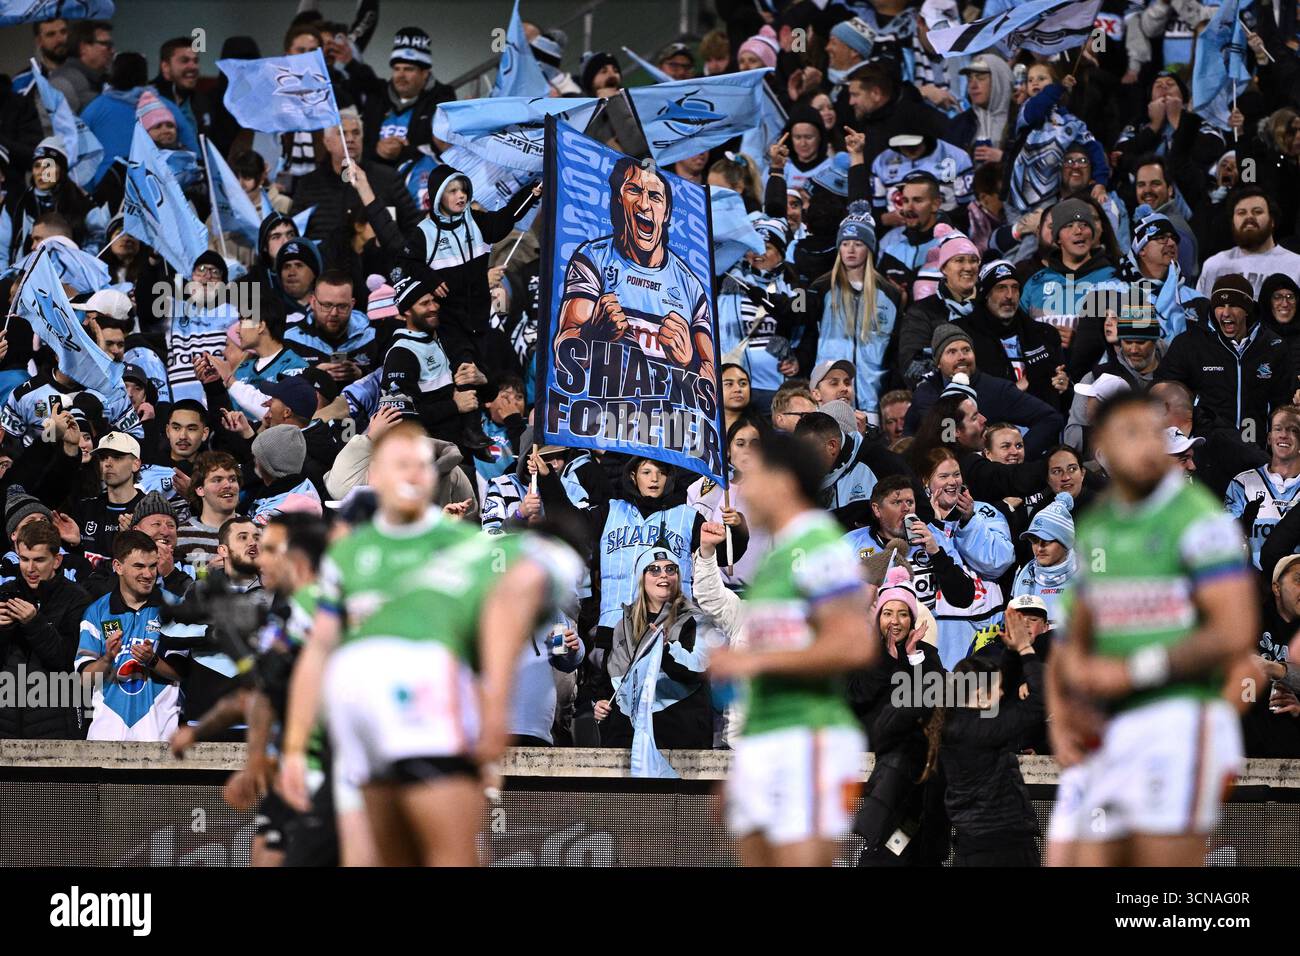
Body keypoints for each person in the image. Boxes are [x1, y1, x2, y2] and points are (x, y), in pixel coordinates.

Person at [1049, 393, 1254, 867]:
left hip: (1181, 719)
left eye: (1154, 433)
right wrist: (1061, 719)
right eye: (1131, 433)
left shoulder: (1200, 519)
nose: (1147, 446)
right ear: (1103, 447)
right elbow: (1069, 640)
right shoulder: (1097, 528)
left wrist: (1135, 670)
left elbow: (1235, 629)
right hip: (1112, 729)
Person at [710, 432, 877, 867]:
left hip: (810, 734)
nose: (743, 488)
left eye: (752, 476)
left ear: (782, 482)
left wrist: (753, 659)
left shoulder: (820, 543)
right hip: (766, 737)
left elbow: (854, 644)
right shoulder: (775, 560)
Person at [848, 566, 950, 867]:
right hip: (871, 768)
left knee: (905, 841)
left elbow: (935, 698)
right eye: (887, 613)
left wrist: (913, 657)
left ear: (913, 618)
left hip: (913, 774)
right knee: (878, 844)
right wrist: (887, 662)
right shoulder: (861, 653)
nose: (895, 621)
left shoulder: (926, 654)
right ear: (878, 617)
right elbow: (854, 696)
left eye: (903, 613)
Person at [932, 616, 1045, 866]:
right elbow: (1039, 702)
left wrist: (1011, 651)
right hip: (1003, 852)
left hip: (974, 848)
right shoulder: (981, 730)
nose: (1003, 692)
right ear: (979, 695)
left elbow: (1000, 687)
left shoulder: (956, 722)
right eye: (996, 689)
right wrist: (1026, 648)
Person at [592, 547, 714, 749]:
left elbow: (698, 670)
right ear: (642, 577)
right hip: (628, 734)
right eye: (654, 569)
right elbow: (611, 676)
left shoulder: (695, 619)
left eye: (670, 569)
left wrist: (665, 650)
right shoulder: (622, 624)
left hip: (676, 733)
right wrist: (601, 702)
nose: (663, 574)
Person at [75, 531, 187, 742]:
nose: (148, 574)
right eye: (139, 566)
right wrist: (107, 659)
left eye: (152, 566)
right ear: (118, 566)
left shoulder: (174, 608)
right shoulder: (97, 612)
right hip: (106, 738)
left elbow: (182, 673)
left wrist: (151, 660)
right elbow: (83, 679)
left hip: (160, 739)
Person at [1156, 273, 1291, 441]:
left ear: (1247, 309)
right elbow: (1162, 393)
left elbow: (1283, 404)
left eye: (1233, 305)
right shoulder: (1189, 344)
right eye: (1220, 305)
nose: (1225, 313)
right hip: (1205, 450)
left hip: (1257, 450)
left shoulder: (1274, 345)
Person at [905, 334, 1063, 459]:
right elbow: (909, 436)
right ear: (938, 362)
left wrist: (1019, 454)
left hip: (988, 475)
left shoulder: (997, 390)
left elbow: (1050, 418)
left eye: (966, 350)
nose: (961, 356)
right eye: (952, 352)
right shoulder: (924, 393)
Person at [808, 203, 900, 418]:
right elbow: (807, 335)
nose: (850, 249)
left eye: (858, 243)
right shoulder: (820, 288)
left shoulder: (889, 293)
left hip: (873, 400)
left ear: (869, 248)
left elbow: (894, 349)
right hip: (829, 399)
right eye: (845, 243)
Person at [0, 520, 91, 739]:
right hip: (6, 722)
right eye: (24, 559)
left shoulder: (77, 600)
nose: (30, 569)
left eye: (39, 560)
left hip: (56, 725)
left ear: (57, 560)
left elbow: (68, 661)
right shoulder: (6, 594)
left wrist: (34, 623)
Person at [955, 259, 1066, 410]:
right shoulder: (963, 335)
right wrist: (1014, 392)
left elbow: (1063, 391)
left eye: (1015, 288)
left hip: (1043, 422)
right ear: (986, 294)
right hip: (990, 424)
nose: (1009, 295)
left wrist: (1065, 385)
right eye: (1001, 288)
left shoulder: (1044, 334)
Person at [1225, 405, 1300, 570]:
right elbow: (1228, 542)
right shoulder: (1242, 484)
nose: (1284, 435)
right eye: (1278, 429)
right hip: (1256, 585)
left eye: (1293, 430)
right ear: (1269, 438)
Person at [1196, 187, 1300, 298]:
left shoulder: (1296, 265)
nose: (1249, 217)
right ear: (1233, 222)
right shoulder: (1214, 265)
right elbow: (1201, 311)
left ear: (1272, 220)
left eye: (1257, 212)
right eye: (1241, 213)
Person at [1011, 492, 1078, 630]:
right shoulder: (1024, 574)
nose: (1039, 548)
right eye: (1034, 541)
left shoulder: (1085, 579)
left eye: (1047, 541)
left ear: (1065, 542)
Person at [177, 451, 243, 566]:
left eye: (232, 479)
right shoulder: (180, 536)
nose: (228, 485)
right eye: (217, 480)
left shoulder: (257, 533)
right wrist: (208, 578)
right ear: (200, 489)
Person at [48, 19, 113, 114]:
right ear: (83, 48)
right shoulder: (65, 82)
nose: (112, 51)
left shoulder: (103, 80)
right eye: (106, 45)